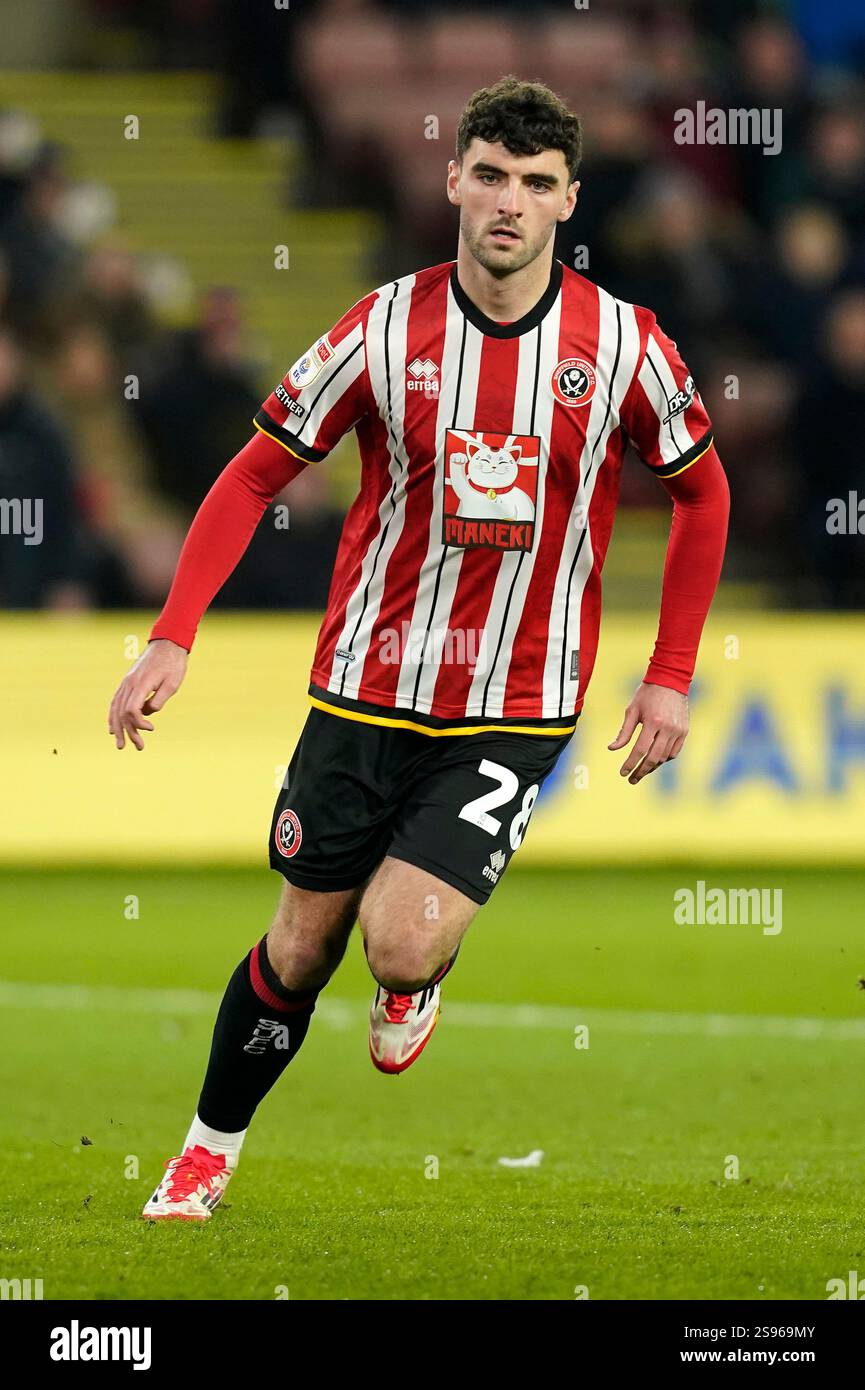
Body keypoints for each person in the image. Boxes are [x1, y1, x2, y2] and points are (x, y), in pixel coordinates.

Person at [107, 77, 730, 1221]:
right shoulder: (382, 328)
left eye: (536, 185)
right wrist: (171, 635)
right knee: (298, 946)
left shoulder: (624, 345)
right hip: (365, 685)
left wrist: (672, 672)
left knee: (395, 944)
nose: (509, 202)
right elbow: (256, 472)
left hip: (517, 698)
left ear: (567, 201)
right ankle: (206, 1147)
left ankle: (414, 980)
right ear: (453, 180)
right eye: (489, 174)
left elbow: (703, 493)